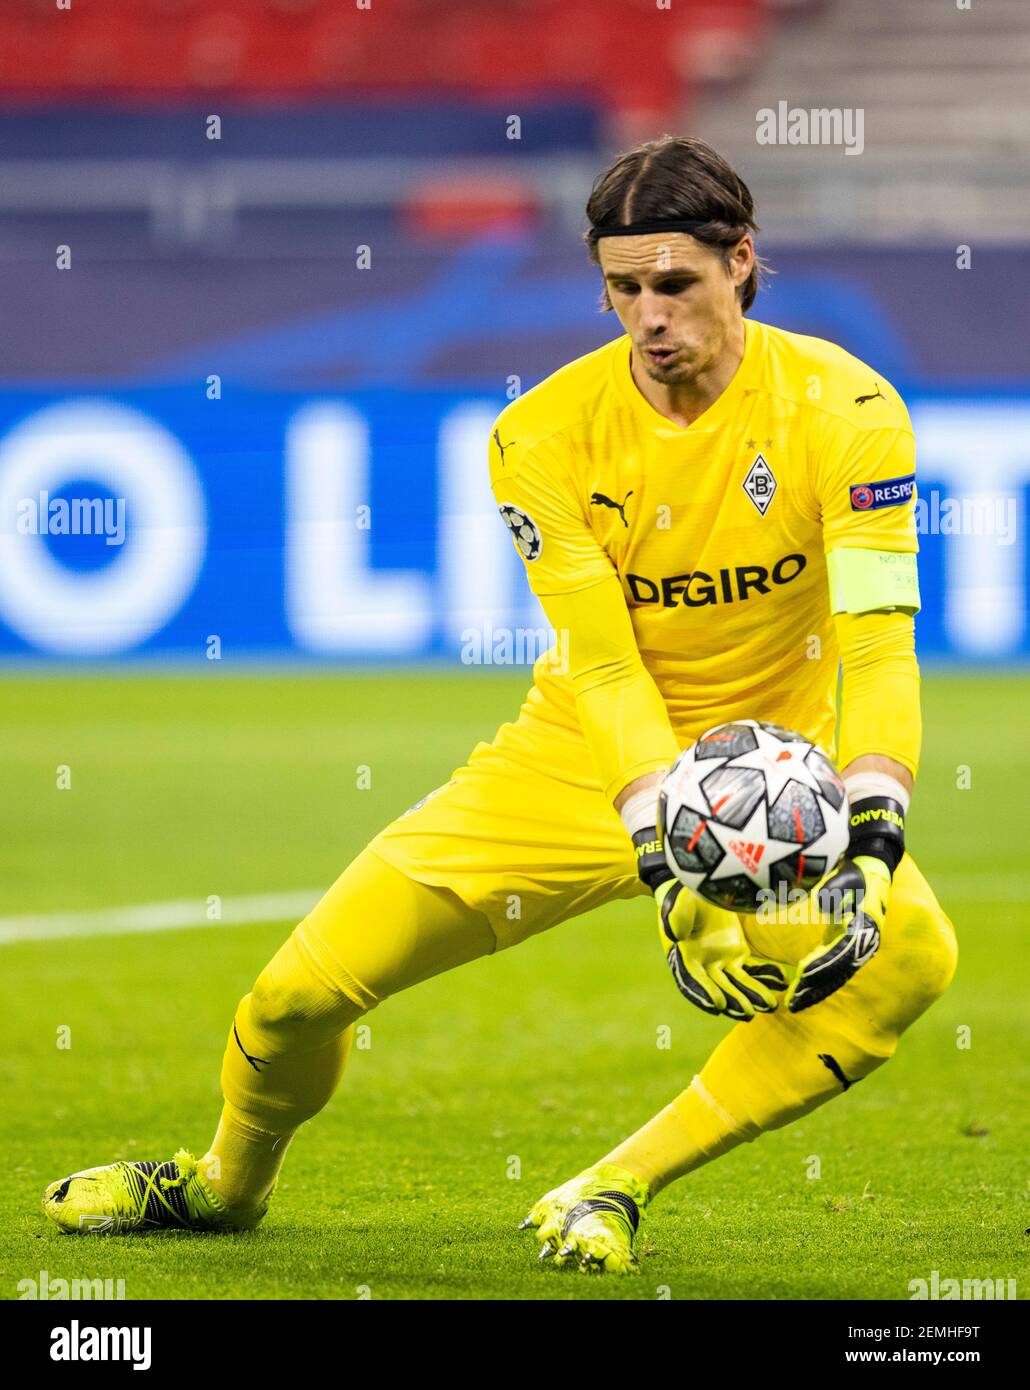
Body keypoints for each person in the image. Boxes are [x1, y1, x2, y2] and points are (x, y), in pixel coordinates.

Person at [43, 136, 956, 1273]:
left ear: (742, 263)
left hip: (777, 781)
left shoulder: (847, 409)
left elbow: (876, 644)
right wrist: (671, 858)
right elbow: (607, 665)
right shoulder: (540, 435)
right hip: (578, 764)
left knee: (911, 956)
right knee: (288, 1003)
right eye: (624, 288)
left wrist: (869, 840)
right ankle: (226, 1183)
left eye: (674, 283)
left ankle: (612, 1186)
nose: (649, 316)